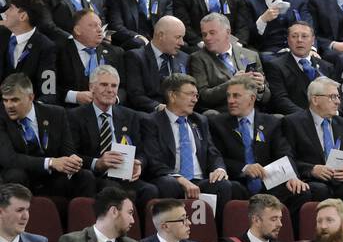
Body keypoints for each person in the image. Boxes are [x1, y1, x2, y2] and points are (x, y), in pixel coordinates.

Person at [208, 73, 310, 216]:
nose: (230, 100)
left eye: (236, 96)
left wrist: (292, 176)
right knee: (228, 188)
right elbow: (216, 157)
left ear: (252, 98)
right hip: (238, 181)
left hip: (267, 182)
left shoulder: (271, 122)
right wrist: (244, 168)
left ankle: (284, 233)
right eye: (229, 96)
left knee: (300, 190)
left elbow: (283, 153)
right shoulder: (217, 123)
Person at [140, 73, 240, 215]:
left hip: (199, 180)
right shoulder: (152, 122)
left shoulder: (200, 121)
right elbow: (154, 161)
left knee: (222, 185)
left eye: (196, 95)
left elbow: (212, 152)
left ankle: (216, 233)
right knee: (168, 184)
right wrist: (181, 179)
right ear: (172, 96)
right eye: (190, 94)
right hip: (171, 178)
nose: (194, 100)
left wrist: (219, 169)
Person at [281, 75, 343, 218]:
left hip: (340, 183)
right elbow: (288, 159)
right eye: (332, 97)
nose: (338, 102)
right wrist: (312, 170)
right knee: (320, 190)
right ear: (315, 99)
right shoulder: (292, 123)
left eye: (338, 97)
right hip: (311, 182)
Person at [68, 64, 156, 204]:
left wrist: (139, 163)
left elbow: (142, 152)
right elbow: (71, 154)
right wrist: (97, 163)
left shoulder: (130, 116)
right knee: (112, 189)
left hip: (124, 176)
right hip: (95, 177)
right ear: (92, 88)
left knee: (150, 190)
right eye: (104, 85)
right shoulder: (75, 116)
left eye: (114, 86)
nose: (110, 90)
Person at [0, 73, 93, 198]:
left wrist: (72, 160)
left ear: (30, 97)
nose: (9, 105)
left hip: (52, 178)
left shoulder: (56, 114)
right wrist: (50, 162)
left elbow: (68, 151)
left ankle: (85, 217)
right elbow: (9, 159)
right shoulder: (1, 119)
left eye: (15, 100)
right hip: (22, 177)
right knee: (15, 175)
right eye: (5, 100)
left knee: (85, 176)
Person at [189, 12, 265, 112]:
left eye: (212, 33)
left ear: (228, 32)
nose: (207, 38)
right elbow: (203, 97)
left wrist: (261, 88)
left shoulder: (251, 55)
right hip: (223, 114)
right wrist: (232, 83)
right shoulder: (198, 59)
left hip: (252, 111)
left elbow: (266, 97)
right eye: (204, 34)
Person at [263, 20, 336, 115]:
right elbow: (280, 100)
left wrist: (334, 112)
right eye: (294, 36)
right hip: (294, 120)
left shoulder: (327, 67)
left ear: (313, 40)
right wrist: (309, 117)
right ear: (288, 40)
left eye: (304, 36)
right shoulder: (275, 66)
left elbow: (338, 97)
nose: (299, 40)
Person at [123, 14, 189, 113]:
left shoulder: (184, 58)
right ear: (161, 35)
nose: (182, 43)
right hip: (149, 115)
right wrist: (159, 107)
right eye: (178, 37)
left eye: (182, 38)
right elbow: (136, 96)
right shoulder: (136, 57)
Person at [0, 0, 57, 97]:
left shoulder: (46, 47)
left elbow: (48, 89)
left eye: (11, 8)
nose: (5, 13)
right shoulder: (1, 35)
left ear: (23, 16)